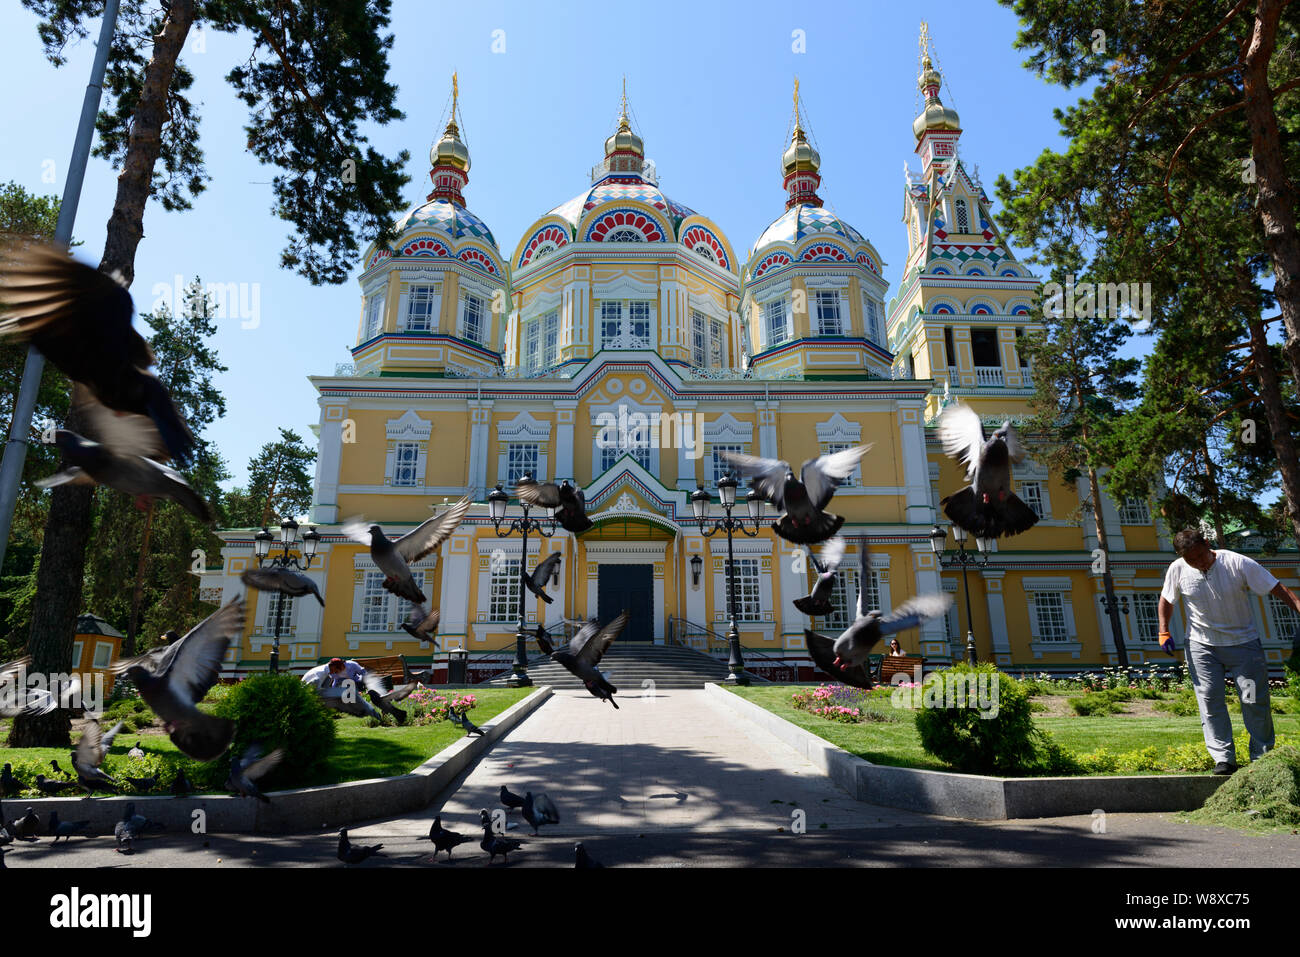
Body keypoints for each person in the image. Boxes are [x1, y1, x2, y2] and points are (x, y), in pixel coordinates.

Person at [1158, 528, 1300, 775]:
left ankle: (1261, 756)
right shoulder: (1178, 568)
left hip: (1243, 645)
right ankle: (1223, 758)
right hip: (1201, 645)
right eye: (1191, 560)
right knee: (1210, 700)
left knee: (1252, 699)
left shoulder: (1236, 562)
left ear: (1207, 543)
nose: (1198, 564)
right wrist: (1163, 631)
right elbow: (1167, 600)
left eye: (1200, 557)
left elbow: (1277, 588)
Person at [302, 657, 368, 690]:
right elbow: (333, 681)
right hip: (341, 685)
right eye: (335, 671)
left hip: (356, 683)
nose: (334, 673)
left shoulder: (352, 664)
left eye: (336, 671)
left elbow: (362, 672)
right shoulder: (326, 673)